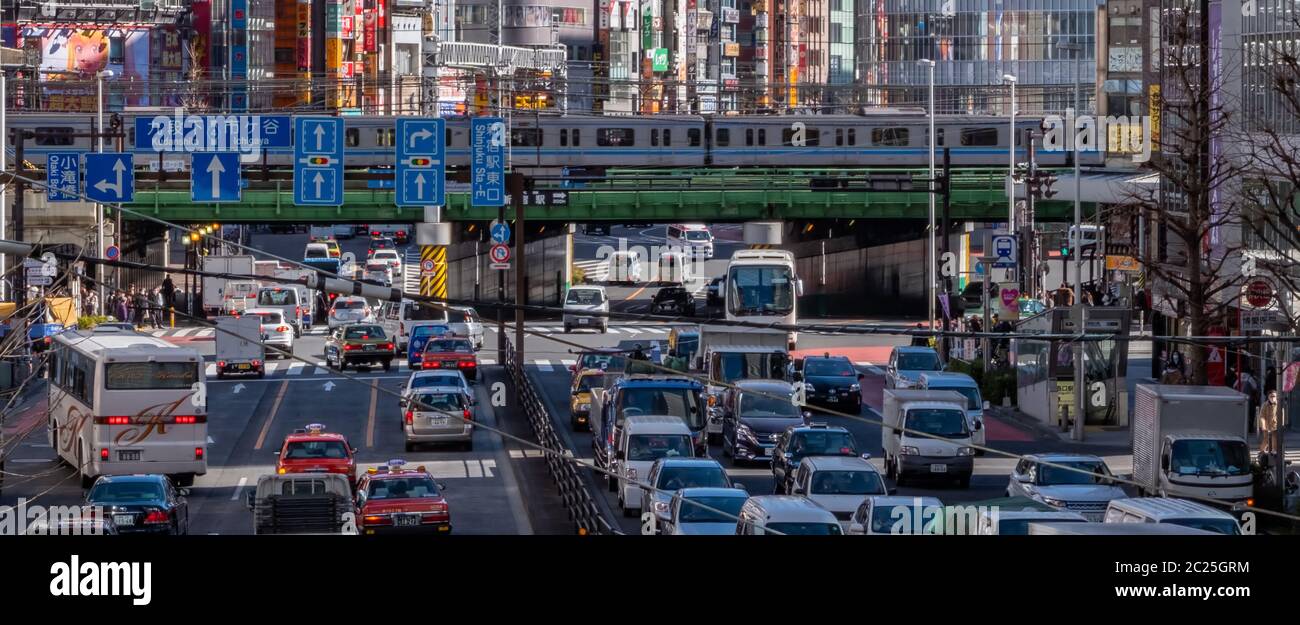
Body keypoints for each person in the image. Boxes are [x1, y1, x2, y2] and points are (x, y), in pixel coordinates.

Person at [1257, 391, 1280, 455]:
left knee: (1274, 437)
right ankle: (1262, 451)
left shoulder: (1278, 404)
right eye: (1271, 396)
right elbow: (1262, 416)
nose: (1272, 398)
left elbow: (1281, 415)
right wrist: (1263, 425)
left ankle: (1274, 450)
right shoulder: (1265, 405)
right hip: (1266, 425)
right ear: (1268, 397)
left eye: (1274, 396)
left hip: (1275, 424)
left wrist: (1281, 424)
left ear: (1276, 397)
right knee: (1266, 439)